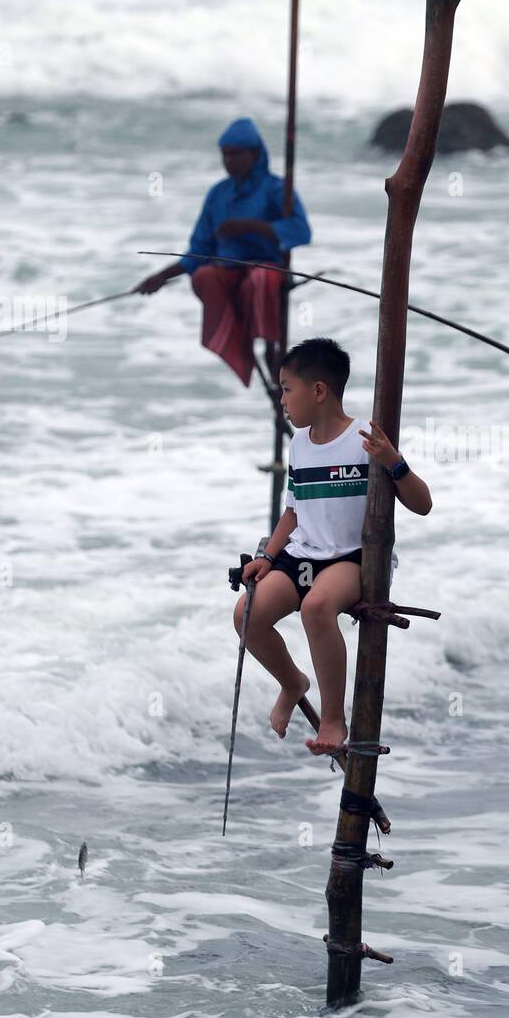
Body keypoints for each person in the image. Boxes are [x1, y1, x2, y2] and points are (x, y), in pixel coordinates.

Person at [234, 337, 433, 754]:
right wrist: (266, 557)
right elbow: (293, 512)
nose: (283, 401)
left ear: (319, 391)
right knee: (247, 614)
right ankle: (293, 683)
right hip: (302, 554)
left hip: (350, 558)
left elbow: (422, 504)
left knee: (317, 607)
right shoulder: (300, 444)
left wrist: (393, 462)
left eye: (287, 389)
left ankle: (332, 719)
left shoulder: (364, 437)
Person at [133, 118, 311, 387]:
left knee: (260, 280)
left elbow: (300, 231)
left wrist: (250, 227)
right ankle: (237, 344)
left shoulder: (277, 189)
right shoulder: (218, 194)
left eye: (235, 154)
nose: (229, 161)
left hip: (266, 268)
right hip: (228, 271)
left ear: (253, 154)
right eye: (225, 155)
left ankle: (271, 346)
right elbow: (200, 249)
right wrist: (159, 276)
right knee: (204, 276)